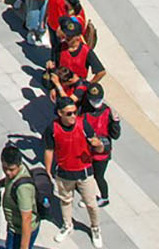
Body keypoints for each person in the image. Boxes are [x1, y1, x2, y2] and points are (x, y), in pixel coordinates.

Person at [44, 96, 102, 247]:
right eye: (69, 113)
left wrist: (98, 145)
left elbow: (98, 146)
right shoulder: (52, 128)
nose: (73, 116)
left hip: (84, 172)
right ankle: (67, 225)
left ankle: (95, 228)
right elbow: (49, 150)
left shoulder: (83, 125)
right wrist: (47, 171)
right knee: (65, 201)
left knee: (91, 204)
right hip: (64, 173)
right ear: (60, 113)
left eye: (75, 112)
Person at [0, 140, 42, 249]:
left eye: (11, 169)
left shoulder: (23, 189)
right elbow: (9, 180)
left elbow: (26, 219)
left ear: (19, 164)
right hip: (14, 227)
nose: (8, 172)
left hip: (22, 231)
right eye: (5, 168)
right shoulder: (17, 172)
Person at [79, 84, 120, 208]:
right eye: (93, 99)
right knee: (87, 176)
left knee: (98, 176)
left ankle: (104, 197)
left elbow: (115, 135)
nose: (95, 102)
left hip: (102, 152)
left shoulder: (108, 112)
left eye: (98, 99)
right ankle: (89, 196)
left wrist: (116, 122)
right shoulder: (84, 110)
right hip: (87, 149)